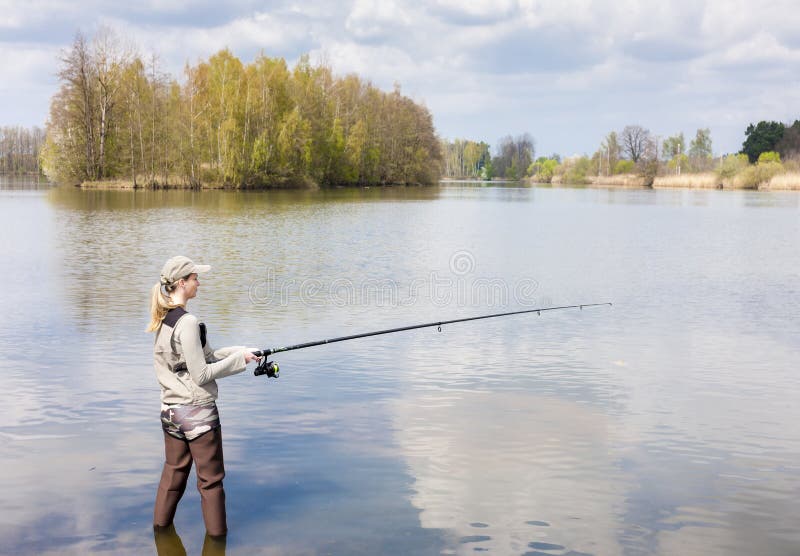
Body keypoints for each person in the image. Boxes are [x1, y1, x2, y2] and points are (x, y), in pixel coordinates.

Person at [147, 256, 260, 537]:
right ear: (182, 283)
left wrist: (242, 351)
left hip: (171, 412)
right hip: (197, 413)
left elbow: (204, 357)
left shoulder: (165, 319)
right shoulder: (188, 322)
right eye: (195, 278)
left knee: (173, 473)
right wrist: (240, 362)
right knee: (211, 482)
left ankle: (160, 532)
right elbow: (201, 374)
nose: (199, 283)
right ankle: (218, 541)